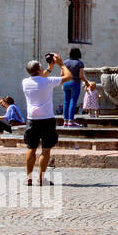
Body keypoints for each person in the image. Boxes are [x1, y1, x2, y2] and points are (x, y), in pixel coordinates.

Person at [22, 55, 71, 186]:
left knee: (31, 148)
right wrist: (61, 64)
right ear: (39, 69)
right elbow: (69, 76)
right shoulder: (48, 81)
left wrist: (50, 68)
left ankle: (28, 178)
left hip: (32, 119)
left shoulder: (25, 82)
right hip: (47, 118)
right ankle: (41, 178)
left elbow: (39, 77)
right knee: (45, 150)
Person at [60, 47, 88, 127]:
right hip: (75, 83)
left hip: (65, 83)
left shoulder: (65, 62)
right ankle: (71, 121)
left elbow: (61, 74)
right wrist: (86, 82)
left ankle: (65, 121)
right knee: (73, 102)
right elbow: (81, 76)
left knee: (66, 102)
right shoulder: (80, 63)